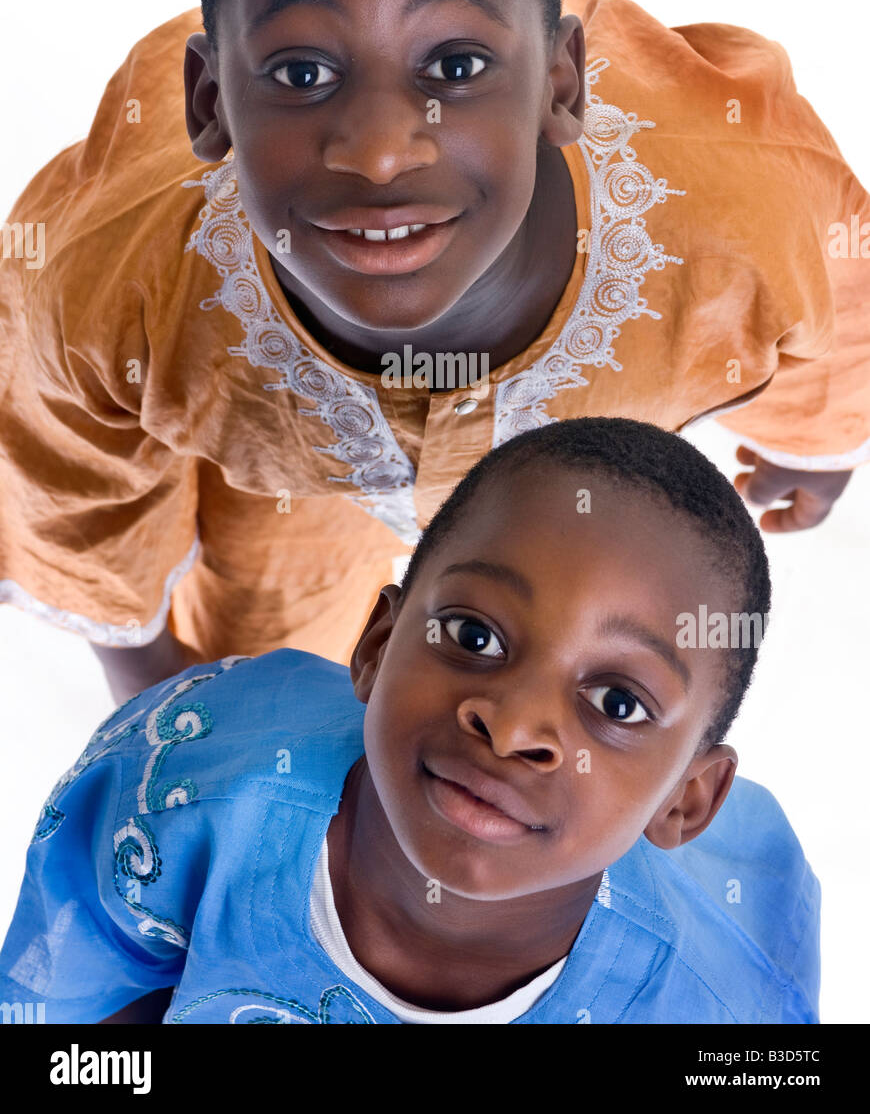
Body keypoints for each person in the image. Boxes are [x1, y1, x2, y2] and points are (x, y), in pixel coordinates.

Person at [0, 0, 866, 704]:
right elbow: (65, 464)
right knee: (275, 656)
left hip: (574, 470)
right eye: (302, 73)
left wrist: (817, 442)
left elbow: (838, 301)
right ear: (211, 106)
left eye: (454, 67)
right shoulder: (113, 275)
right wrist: (147, 664)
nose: (378, 153)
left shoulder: (735, 212)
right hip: (288, 489)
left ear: (563, 83)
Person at [0, 418, 819, 1024]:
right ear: (378, 643)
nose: (512, 726)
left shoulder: (718, 1010)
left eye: (617, 703)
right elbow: (83, 1008)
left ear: (687, 801)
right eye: (474, 635)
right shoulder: (180, 788)